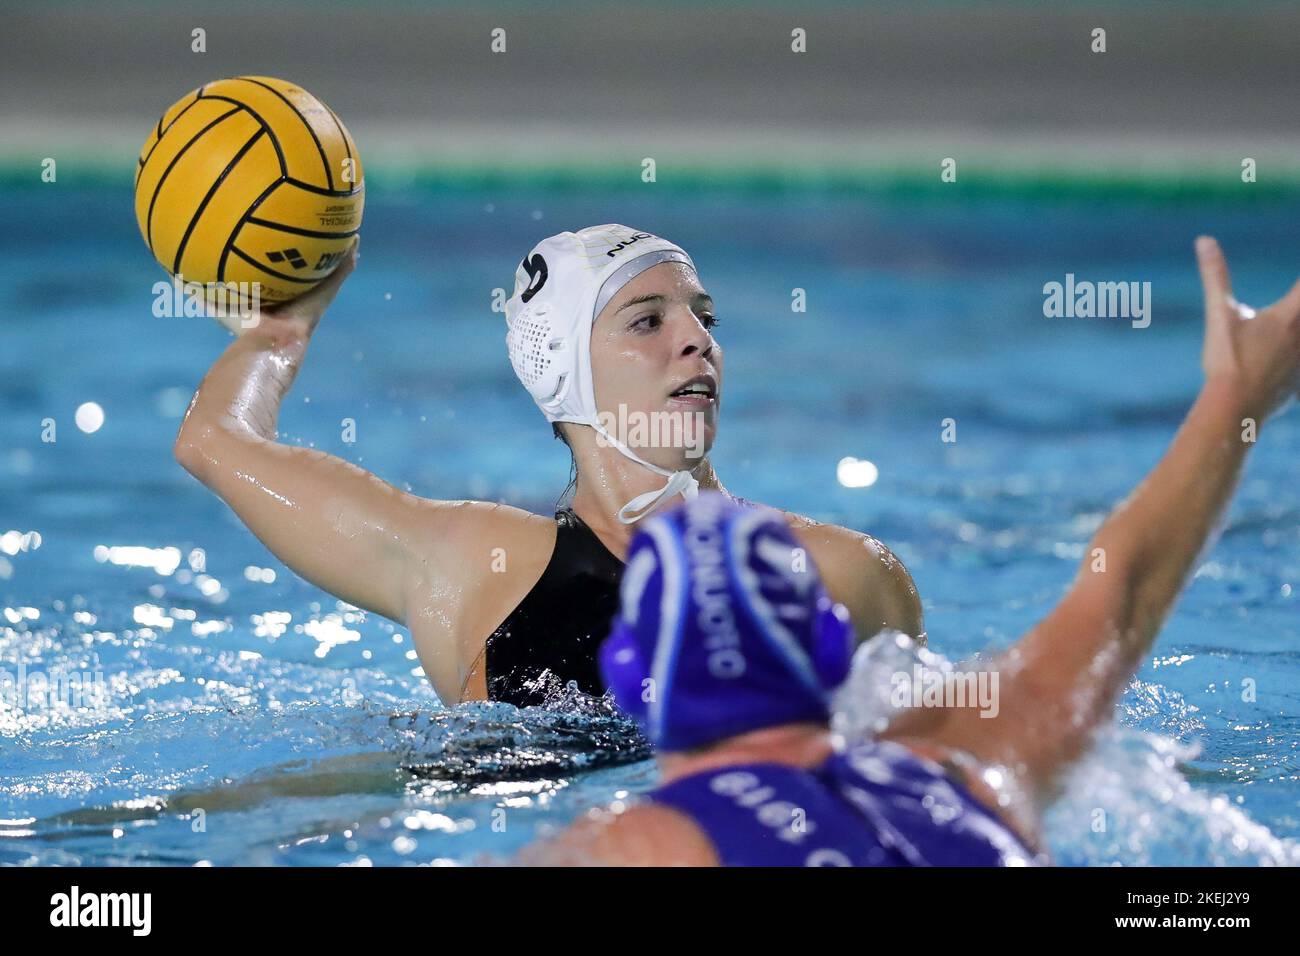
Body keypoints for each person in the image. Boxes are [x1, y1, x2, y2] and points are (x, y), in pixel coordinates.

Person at [519, 237, 1300, 865]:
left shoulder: (637, 846)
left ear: (631, 680)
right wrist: (1239, 395)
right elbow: (1122, 585)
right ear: (836, 652)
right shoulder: (964, 769)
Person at [174, 224, 922, 706]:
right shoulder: (471, 565)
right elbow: (215, 442)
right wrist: (280, 333)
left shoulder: (837, 573)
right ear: (563, 370)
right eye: (648, 320)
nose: (697, 339)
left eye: (705, 316)